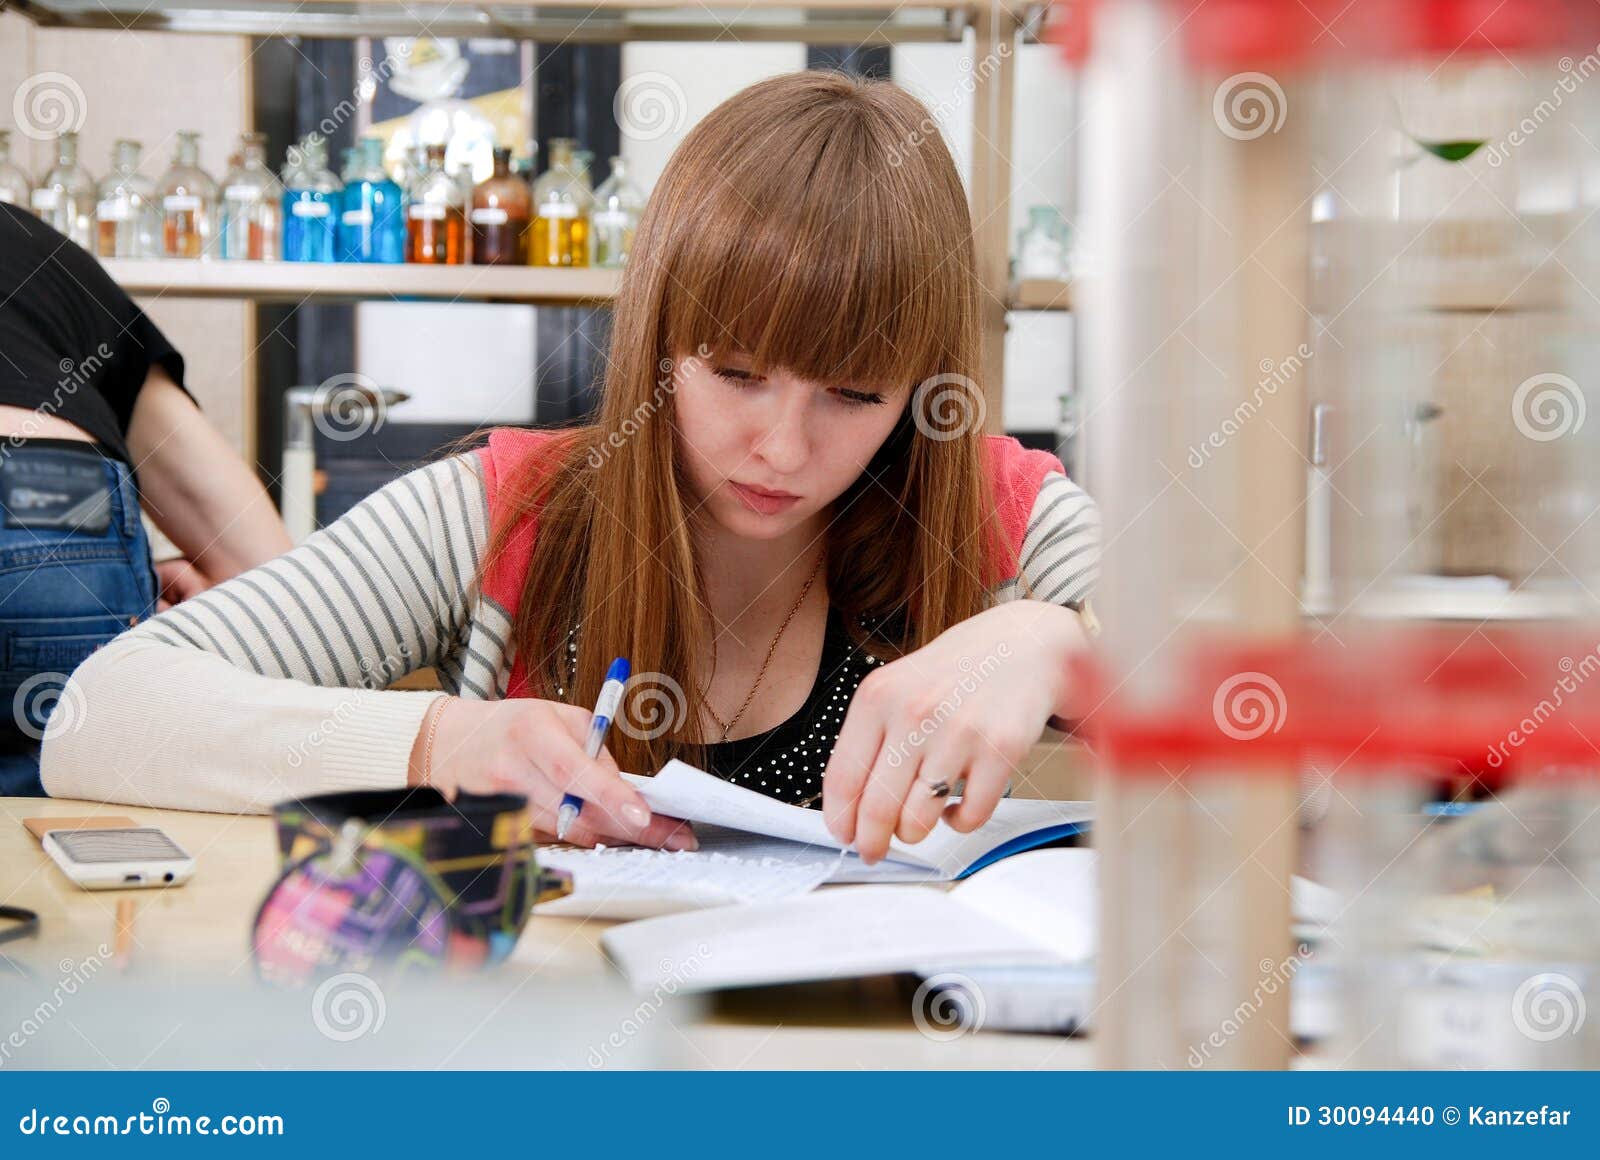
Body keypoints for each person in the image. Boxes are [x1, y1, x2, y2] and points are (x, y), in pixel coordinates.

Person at [42, 72, 1100, 864]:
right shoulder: (503, 512)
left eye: (855, 395)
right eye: (733, 373)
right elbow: (99, 716)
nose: (783, 448)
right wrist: (436, 741)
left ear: (924, 385)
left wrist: (1063, 643)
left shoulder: (999, 518)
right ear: (655, 343)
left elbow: (1254, 704)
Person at [0, 203, 292, 796]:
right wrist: (119, 587)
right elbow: (267, 573)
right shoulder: (36, 247)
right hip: (50, 503)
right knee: (58, 823)